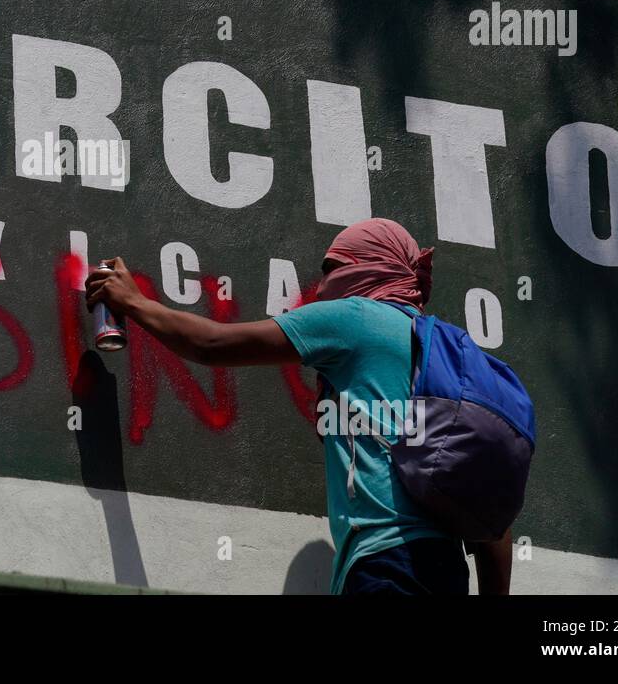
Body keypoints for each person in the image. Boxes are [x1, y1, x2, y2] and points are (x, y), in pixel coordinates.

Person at [83, 217, 513, 595]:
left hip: (386, 565)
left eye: (332, 268)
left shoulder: (356, 316)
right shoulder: (444, 353)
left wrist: (134, 302)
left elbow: (212, 344)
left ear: (368, 267)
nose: (323, 283)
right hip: (446, 576)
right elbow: (493, 514)